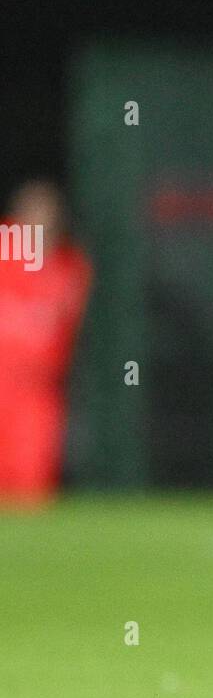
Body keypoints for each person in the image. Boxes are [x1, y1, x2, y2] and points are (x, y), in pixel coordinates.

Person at [0, 178, 92, 503]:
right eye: (34, 211)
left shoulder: (69, 268)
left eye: (48, 213)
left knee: (32, 484)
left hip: (38, 391)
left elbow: (68, 324)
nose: (41, 220)